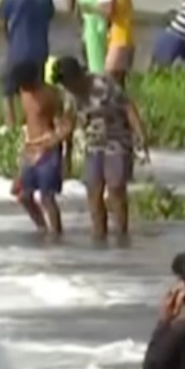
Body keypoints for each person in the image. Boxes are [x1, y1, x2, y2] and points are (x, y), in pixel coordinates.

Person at [53, 56, 149, 240]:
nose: (68, 87)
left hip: (118, 140)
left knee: (116, 188)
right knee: (93, 190)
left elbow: (128, 106)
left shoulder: (103, 83)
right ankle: (99, 236)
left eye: (69, 82)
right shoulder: (70, 94)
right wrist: (67, 155)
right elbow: (69, 123)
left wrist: (140, 134)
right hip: (93, 144)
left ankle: (121, 235)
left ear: (78, 76)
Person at [0, 0, 56, 129]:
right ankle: (35, 124)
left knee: (7, 90)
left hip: (18, 50)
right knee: (35, 89)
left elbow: (1, 23)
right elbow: (49, 17)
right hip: (40, 51)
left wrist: (8, 39)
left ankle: (11, 127)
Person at [11, 61, 67, 236]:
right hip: (30, 148)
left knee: (47, 197)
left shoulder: (50, 94)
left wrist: (60, 147)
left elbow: (62, 126)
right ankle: (42, 228)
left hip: (48, 149)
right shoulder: (22, 92)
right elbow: (27, 119)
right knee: (23, 196)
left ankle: (56, 235)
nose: (24, 88)